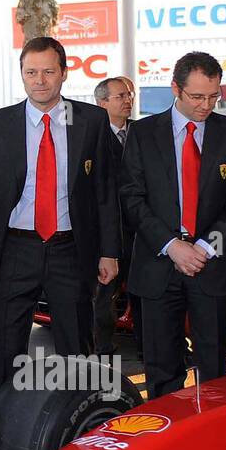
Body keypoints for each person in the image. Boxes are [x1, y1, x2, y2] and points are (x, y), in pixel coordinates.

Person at [0, 36, 120, 396]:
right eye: (31, 72)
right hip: (15, 250)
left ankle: (78, 436)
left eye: (48, 71)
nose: (39, 80)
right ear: (21, 75)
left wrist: (109, 251)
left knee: (77, 349)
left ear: (64, 73)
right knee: (6, 350)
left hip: (71, 249)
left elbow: (105, 192)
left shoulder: (91, 121)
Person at [120, 52, 226, 398]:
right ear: (175, 89)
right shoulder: (143, 134)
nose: (206, 105)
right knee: (162, 368)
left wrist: (204, 247)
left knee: (214, 371)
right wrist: (172, 245)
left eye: (213, 96)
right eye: (197, 96)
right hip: (158, 265)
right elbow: (132, 198)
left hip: (213, 266)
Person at [93, 76, 138, 357]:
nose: (127, 100)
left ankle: (152, 345)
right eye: (120, 95)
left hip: (140, 230)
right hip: (107, 232)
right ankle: (102, 349)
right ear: (102, 103)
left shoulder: (142, 132)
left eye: (129, 95)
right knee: (103, 294)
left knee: (143, 291)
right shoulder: (92, 135)